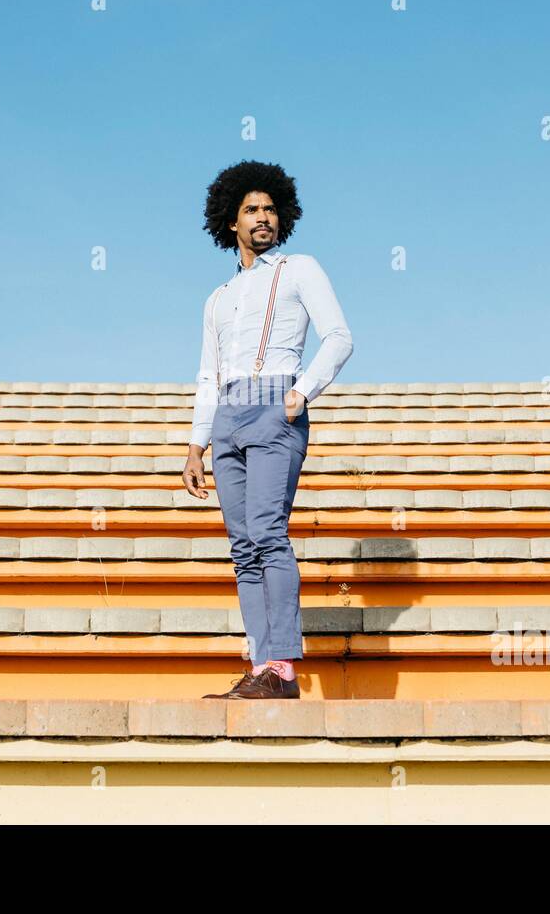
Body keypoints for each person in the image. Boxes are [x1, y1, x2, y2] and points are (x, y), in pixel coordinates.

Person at [181, 160, 354, 699]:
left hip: (275, 405)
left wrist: (302, 392)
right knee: (243, 548)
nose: (263, 217)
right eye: (251, 209)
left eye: (270, 209)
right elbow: (207, 372)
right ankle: (262, 665)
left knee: (268, 533)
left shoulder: (300, 268)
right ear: (230, 221)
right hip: (227, 416)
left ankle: (282, 669)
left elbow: (340, 337)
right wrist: (195, 443)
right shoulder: (217, 298)